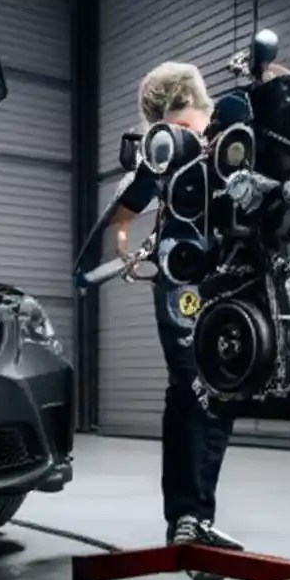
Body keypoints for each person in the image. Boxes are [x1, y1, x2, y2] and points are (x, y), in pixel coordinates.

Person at [107, 62, 243, 551]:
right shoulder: (160, 152)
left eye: (190, 123)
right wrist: (123, 235)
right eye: (172, 126)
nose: (184, 134)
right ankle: (188, 517)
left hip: (230, 277)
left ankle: (195, 516)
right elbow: (126, 207)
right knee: (190, 386)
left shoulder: (232, 137)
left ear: (206, 109)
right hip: (181, 278)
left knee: (221, 390)